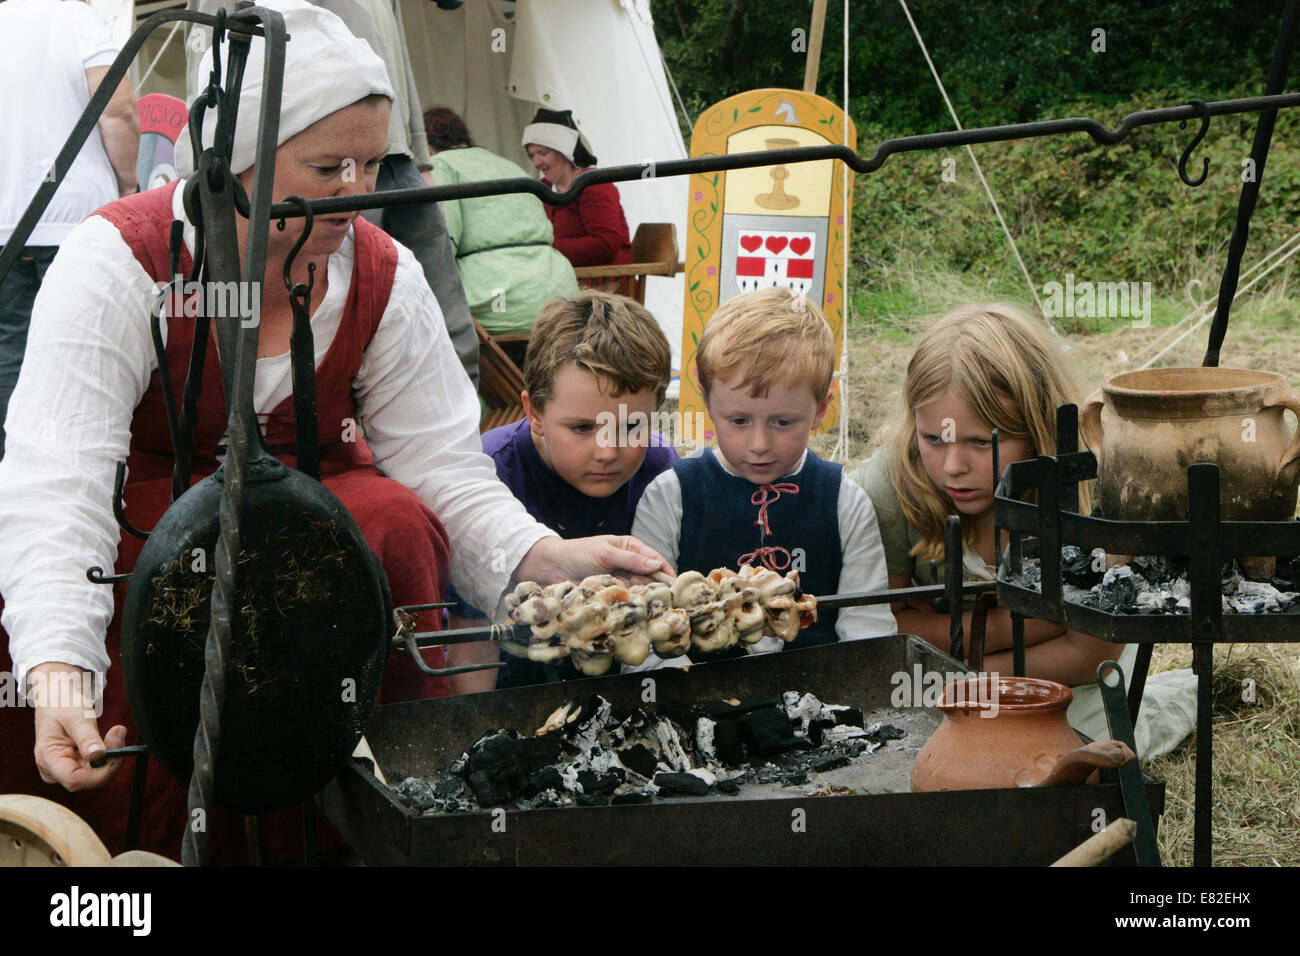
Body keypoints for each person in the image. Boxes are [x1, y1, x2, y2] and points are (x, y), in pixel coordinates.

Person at [0, 0, 665, 863]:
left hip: (313, 530)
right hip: (147, 533)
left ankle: (359, 823)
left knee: (389, 523)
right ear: (230, 166)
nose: (360, 191)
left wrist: (540, 558)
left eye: (371, 161)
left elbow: (442, 469)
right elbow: (60, 479)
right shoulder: (118, 261)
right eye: (327, 166)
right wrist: (58, 666)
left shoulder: (380, 272)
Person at [186, 0, 481, 386]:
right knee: (327, 309)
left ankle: (451, 410)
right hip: (304, 140)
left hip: (391, 150)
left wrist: (417, 150)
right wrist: (210, 156)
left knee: (436, 307)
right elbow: (216, 35)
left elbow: (396, 42)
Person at [633, 287, 897, 661]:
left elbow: (867, 630)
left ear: (821, 408)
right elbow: (648, 637)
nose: (759, 443)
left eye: (782, 422)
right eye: (738, 420)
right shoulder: (670, 496)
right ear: (707, 400)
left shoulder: (843, 500)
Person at [447, 289, 678, 688]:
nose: (608, 451)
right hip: (513, 690)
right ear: (534, 411)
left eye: (630, 426)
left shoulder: (660, 468)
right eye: (582, 428)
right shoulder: (487, 476)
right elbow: (471, 638)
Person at [0, 0, 139, 460]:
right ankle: (80, 465)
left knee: (9, 356)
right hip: (76, 220)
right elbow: (117, 109)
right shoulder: (78, 20)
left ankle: (13, 473)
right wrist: (127, 184)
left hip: (6, 225)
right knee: (83, 353)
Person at [425, 105, 578, 337]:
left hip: (499, 305)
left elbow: (444, 239)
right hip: (559, 298)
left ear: (425, 145)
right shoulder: (508, 165)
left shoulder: (441, 166)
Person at [522, 107, 633, 267]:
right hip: (564, 280)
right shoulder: (541, 189)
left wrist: (546, 249)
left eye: (543, 153)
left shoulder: (593, 184)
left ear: (564, 151)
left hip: (603, 283)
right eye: (532, 155)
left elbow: (605, 245)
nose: (537, 162)